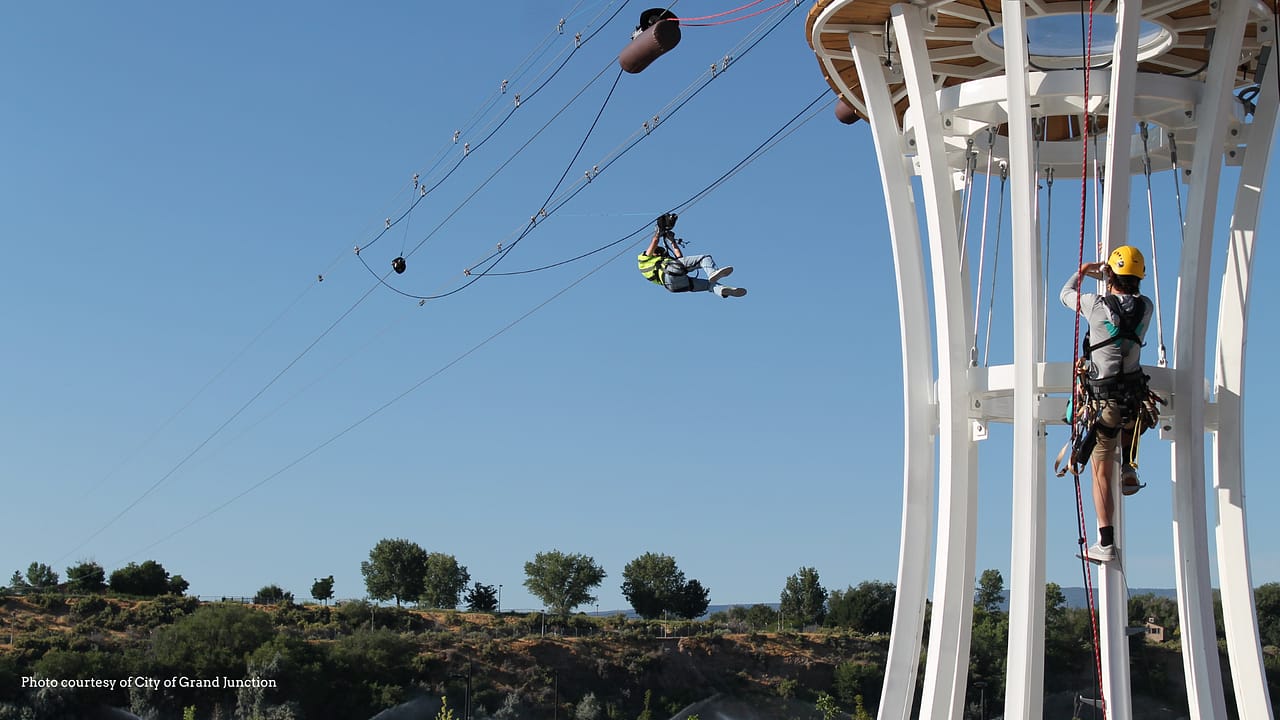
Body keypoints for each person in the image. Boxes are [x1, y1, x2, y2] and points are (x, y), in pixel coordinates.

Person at [1060, 245, 1154, 564]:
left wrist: (1084, 271)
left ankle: (1105, 542)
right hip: (1134, 400)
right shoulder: (1146, 308)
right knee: (1128, 429)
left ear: (1110, 276)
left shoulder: (1096, 305)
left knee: (1100, 473)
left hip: (1105, 403)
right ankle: (1129, 466)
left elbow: (1065, 294)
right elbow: (1125, 303)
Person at [637, 213, 746, 298]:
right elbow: (655, 241)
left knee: (709, 285)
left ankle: (722, 290)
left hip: (673, 286)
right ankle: (712, 272)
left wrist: (672, 241)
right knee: (705, 258)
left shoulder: (653, 267)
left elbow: (680, 259)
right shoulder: (644, 258)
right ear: (655, 253)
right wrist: (658, 231)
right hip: (672, 272)